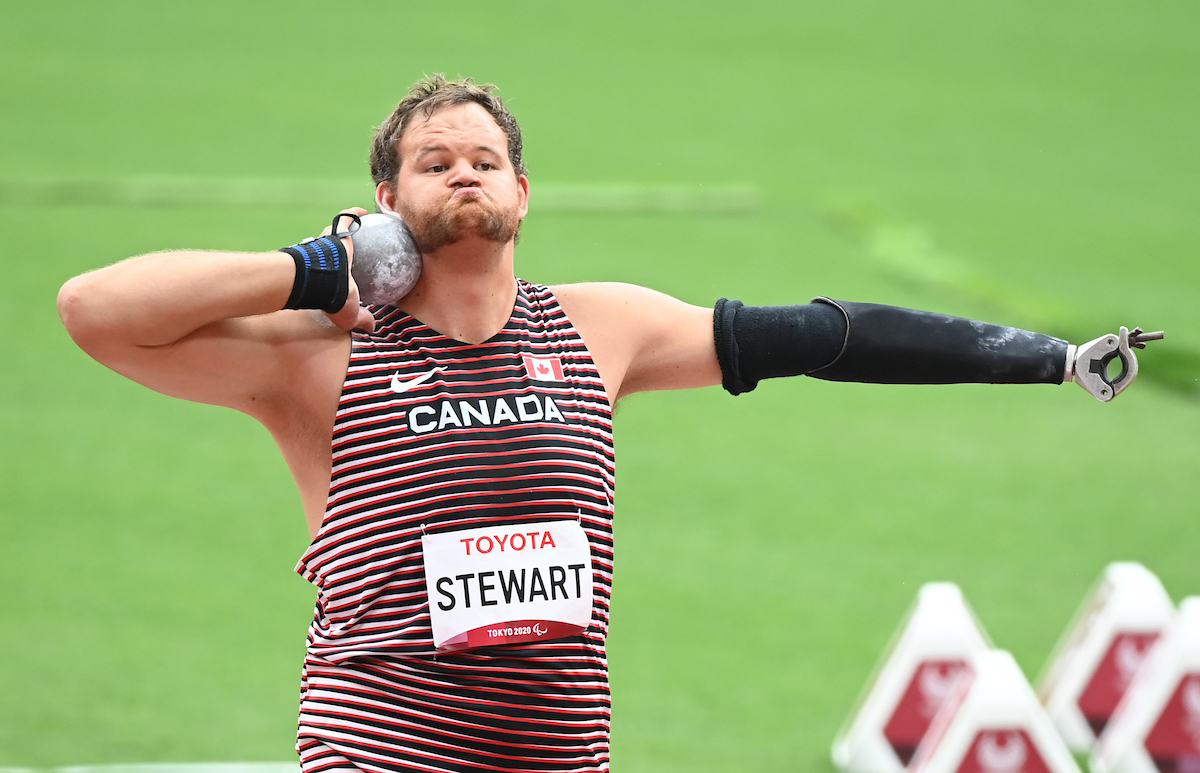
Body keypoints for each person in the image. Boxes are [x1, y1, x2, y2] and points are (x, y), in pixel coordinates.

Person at [58, 75, 1093, 772]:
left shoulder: (604, 328)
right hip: (379, 748)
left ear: (521, 188)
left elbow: (825, 335)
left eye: (483, 157)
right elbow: (94, 309)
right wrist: (315, 267)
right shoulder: (315, 353)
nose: (463, 170)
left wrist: (1048, 357)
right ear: (385, 196)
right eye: (433, 161)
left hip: (557, 754)